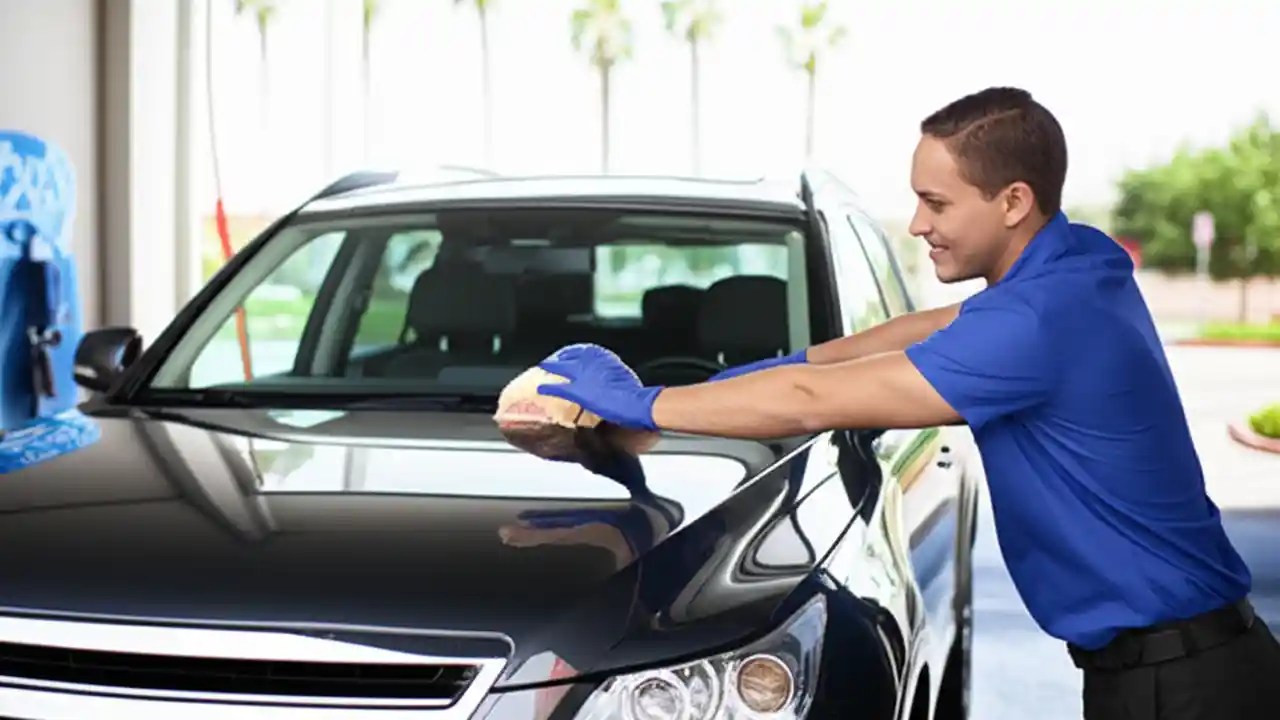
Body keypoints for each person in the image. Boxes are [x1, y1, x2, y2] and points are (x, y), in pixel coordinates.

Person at [532, 87, 1280, 719]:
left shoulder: (1035, 323)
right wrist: (741, 374)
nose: (919, 224)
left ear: (1014, 201)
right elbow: (872, 347)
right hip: (1180, 664)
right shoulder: (1074, 267)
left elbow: (809, 402)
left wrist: (648, 403)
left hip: (1182, 685)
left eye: (936, 203)